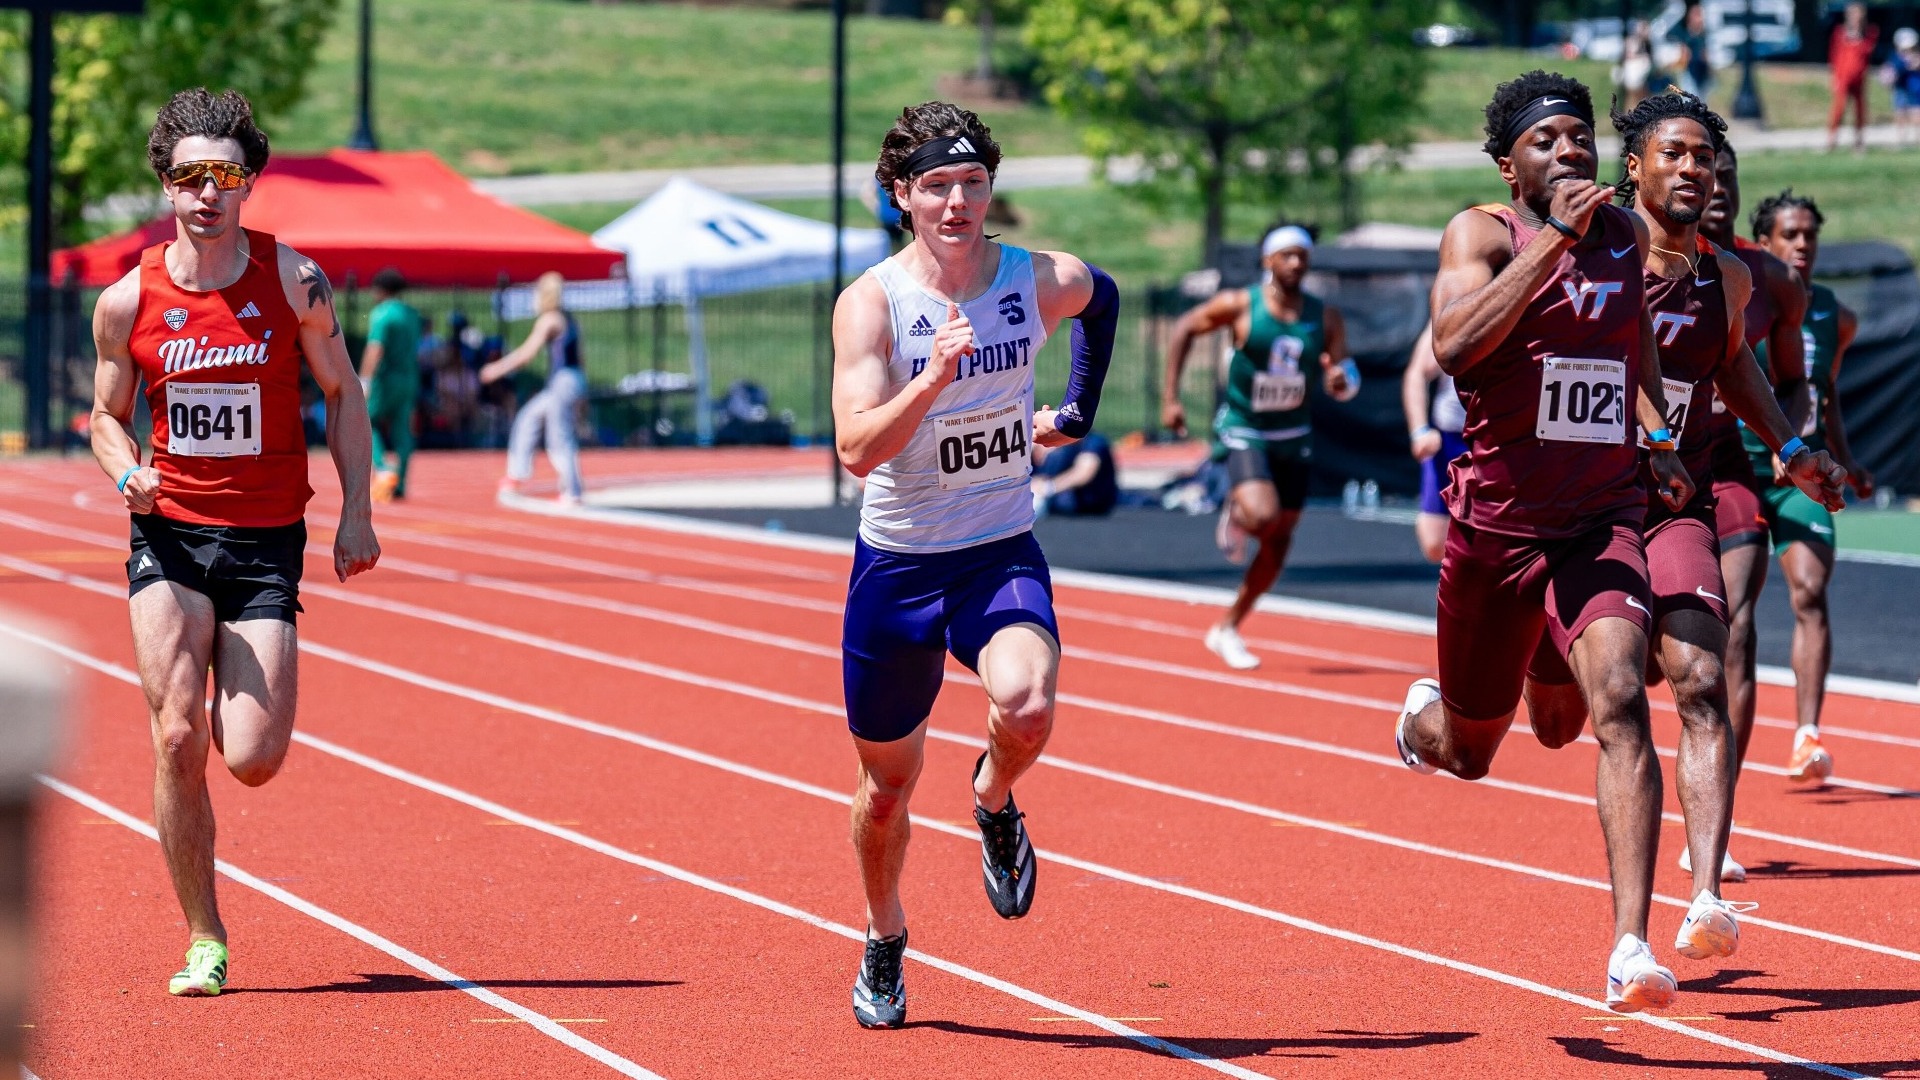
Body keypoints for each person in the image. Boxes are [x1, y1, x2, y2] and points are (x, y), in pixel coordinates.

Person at [1391, 70, 1693, 1014]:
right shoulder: (1482, 235)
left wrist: (1657, 436)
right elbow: (1455, 345)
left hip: (1598, 519)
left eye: (1580, 136)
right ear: (1507, 165)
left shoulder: (1625, 237)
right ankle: (1424, 718)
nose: (1570, 151)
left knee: (1614, 707)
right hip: (1498, 530)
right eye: (1546, 140)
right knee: (1471, 753)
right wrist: (1554, 241)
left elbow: (1636, 345)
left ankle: (1631, 947)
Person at [1522, 93, 1848, 956]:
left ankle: (1703, 896)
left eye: (1705, 156)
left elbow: (1732, 362)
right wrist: (1647, 433)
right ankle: (1543, 655)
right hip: (1586, 506)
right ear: (1635, 167)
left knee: (1702, 677)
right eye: (1675, 153)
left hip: (1676, 504)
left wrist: (1791, 448)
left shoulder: (1727, 277)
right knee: (1568, 716)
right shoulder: (1591, 255)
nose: (1694, 169)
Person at [86, 88, 381, 996]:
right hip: (170, 534)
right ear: (166, 186)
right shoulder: (127, 299)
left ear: (249, 182)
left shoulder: (294, 281)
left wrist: (357, 511)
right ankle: (204, 936)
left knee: (250, 758)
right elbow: (104, 416)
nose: (207, 193)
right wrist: (126, 472)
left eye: (225, 175)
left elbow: (343, 391)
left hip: (263, 542)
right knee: (177, 734)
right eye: (190, 178)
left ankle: (231, 679)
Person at [832, 101, 1116, 1029]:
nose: (957, 203)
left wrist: (1075, 413)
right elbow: (856, 449)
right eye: (937, 187)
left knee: (1027, 704)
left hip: (996, 550)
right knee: (885, 793)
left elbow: (1102, 298)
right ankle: (884, 933)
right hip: (900, 569)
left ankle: (993, 798)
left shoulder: (1033, 279)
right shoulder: (873, 304)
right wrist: (932, 379)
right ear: (901, 196)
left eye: (973, 183)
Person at [1161, 225, 1357, 670]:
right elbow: (1185, 327)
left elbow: (1346, 372)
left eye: (1302, 256)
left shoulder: (1324, 316)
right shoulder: (1240, 304)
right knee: (1263, 516)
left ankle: (1227, 627)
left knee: (1279, 542)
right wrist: (1171, 398)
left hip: (1294, 435)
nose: (1296, 263)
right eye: (1287, 255)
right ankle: (1239, 508)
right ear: (1268, 260)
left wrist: (1340, 380)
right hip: (1246, 427)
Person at [1696, 141, 1809, 881]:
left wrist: (1786, 441)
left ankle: (1715, 824)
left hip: (1728, 468)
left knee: (1733, 632)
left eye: (1724, 175)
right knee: (1650, 655)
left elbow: (1793, 380)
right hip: (1637, 473)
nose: (1712, 187)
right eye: (1698, 172)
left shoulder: (1769, 280)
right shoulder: (1628, 260)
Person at [1741, 189, 1875, 783]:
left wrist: (1846, 458)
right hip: (1737, 471)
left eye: (1809, 235)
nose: (1801, 245)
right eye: (1789, 235)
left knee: (1811, 592)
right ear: (1763, 243)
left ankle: (1806, 736)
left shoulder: (1835, 316)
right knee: (1733, 611)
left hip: (1802, 478)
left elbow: (1827, 392)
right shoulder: (1740, 294)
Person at [482, 272, 586, 504]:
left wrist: (496, 369)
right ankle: (517, 474)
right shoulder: (570, 319)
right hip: (569, 380)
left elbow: (527, 354)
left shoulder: (550, 319)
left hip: (563, 381)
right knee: (528, 418)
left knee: (559, 435)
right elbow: (581, 358)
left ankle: (572, 489)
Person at [1401, 321, 1467, 563]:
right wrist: (1419, 431)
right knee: (1434, 542)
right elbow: (1417, 372)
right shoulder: (1453, 311)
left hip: (1499, 440)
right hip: (1450, 436)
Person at [360, 267, 423, 502]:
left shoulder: (382, 314)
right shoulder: (412, 314)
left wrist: (365, 380)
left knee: (367, 422)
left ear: (381, 289)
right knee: (402, 430)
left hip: (385, 379)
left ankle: (383, 466)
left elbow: (375, 348)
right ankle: (401, 482)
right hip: (409, 377)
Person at [1828, 2, 1880, 153]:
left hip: (1859, 77)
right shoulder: (1840, 32)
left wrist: (1858, 36)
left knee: (1859, 110)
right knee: (1839, 108)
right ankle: (1831, 140)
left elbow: (1867, 51)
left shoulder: (1869, 33)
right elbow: (1834, 55)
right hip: (1843, 76)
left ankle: (1859, 142)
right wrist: (1835, 76)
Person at [1031, 429, 1118, 518]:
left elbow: (1084, 472)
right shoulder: (1052, 443)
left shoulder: (1094, 441)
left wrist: (1048, 487)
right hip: (1061, 504)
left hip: (1090, 504)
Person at [1671, 4, 1714, 101]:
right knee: (1690, 98)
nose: (1700, 18)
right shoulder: (1684, 33)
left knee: (1702, 99)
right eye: (1697, 15)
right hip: (1689, 70)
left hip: (1702, 71)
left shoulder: (1705, 35)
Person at [1889, 28, 1920, 146]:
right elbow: (1891, 73)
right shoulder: (1896, 58)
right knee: (1900, 113)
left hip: (1915, 88)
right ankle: (1901, 138)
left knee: (1916, 114)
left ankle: (1918, 138)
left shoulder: (1916, 56)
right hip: (1901, 89)